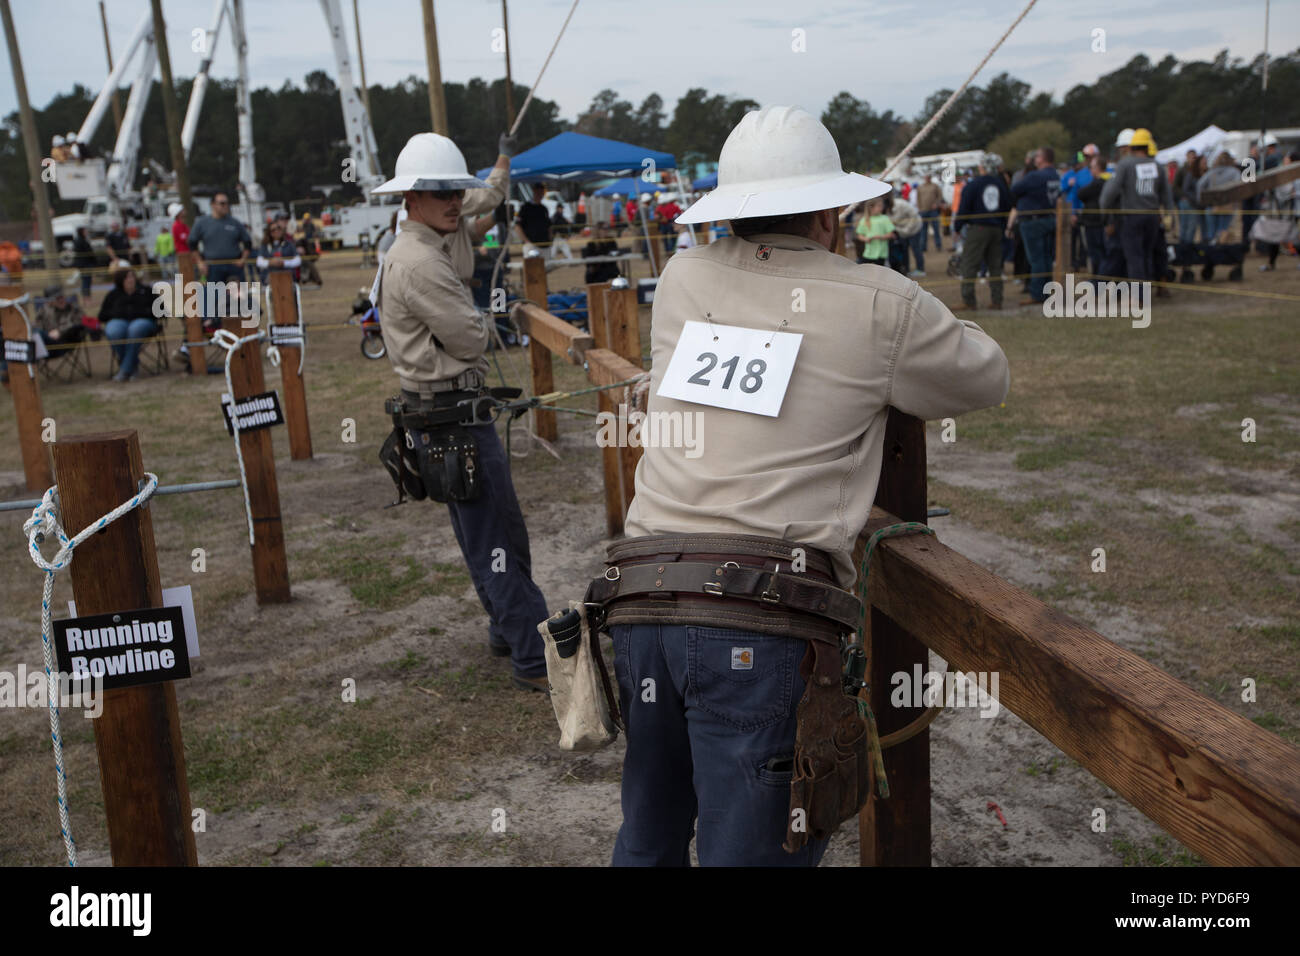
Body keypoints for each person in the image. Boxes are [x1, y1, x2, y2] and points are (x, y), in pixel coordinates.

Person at [598, 105, 1009, 867]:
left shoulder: (685, 276)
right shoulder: (882, 301)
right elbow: (985, 373)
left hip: (644, 597)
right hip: (761, 620)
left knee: (648, 837)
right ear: (831, 211)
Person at [370, 130, 550, 693]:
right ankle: (534, 654)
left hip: (445, 416)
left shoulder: (426, 242)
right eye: (439, 192)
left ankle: (508, 630)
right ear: (410, 200)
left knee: (485, 534)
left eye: (455, 190)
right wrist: (480, 324)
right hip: (452, 417)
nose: (453, 200)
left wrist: (497, 166)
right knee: (497, 536)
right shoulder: (421, 263)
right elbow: (471, 341)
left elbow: (483, 201)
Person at [1101, 128, 1171, 309]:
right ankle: (1145, 294)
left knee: (1134, 257)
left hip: (1131, 218)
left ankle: (1139, 298)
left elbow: (1111, 192)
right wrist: (1169, 215)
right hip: (1153, 218)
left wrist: (1104, 210)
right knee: (1147, 255)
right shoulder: (1157, 166)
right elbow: (1166, 195)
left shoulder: (1126, 165)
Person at [954, 154, 1012, 310]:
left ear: (983, 167)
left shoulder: (973, 185)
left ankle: (968, 300)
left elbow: (964, 208)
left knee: (970, 264)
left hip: (978, 228)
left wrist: (957, 227)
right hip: (996, 228)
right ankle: (997, 299)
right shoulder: (1000, 184)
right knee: (995, 266)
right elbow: (1007, 206)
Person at [1009, 146, 1061, 305]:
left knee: (1036, 259)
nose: (1035, 159)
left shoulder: (1035, 176)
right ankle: (1047, 291)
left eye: (1037, 156)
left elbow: (1015, 189)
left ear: (1043, 159)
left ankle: (1037, 294)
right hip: (1048, 218)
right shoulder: (1055, 175)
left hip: (1033, 221)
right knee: (1046, 258)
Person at [98, 266, 160, 382]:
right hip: (119, 321)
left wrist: (145, 312)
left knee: (135, 329)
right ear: (120, 280)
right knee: (113, 331)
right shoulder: (113, 294)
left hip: (143, 321)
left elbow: (162, 311)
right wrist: (116, 314)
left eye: (132, 276)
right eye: (127, 278)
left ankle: (125, 370)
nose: (130, 280)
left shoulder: (146, 291)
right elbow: (102, 315)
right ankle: (132, 364)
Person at [254, 217, 301, 285]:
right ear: (269, 232)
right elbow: (259, 261)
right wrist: (270, 263)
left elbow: (298, 260)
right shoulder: (265, 245)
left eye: (278, 228)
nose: (276, 231)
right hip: (270, 277)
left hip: (287, 276)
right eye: (273, 230)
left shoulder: (289, 244)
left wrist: (284, 263)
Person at [1174, 150, 1203, 245]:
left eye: (1194, 157)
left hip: (1193, 202)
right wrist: (1182, 196)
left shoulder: (1198, 170)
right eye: (1191, 157)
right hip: (1185, 201)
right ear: (1186, 157)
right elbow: (1176, 186)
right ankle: (1183, 246)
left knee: (1191, 227)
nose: (1192, 159)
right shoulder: (1182, 170)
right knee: (1184, 225)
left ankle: (1187, 246)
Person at [855, 197, 893, 265]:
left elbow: (890, 234)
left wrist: (880, 237)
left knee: (879, 273)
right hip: (868, 253)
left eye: (882, 206)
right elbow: (859, 235)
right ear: (871, 208)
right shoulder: (864, 220)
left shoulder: (885, 219)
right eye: (879, 206)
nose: (881, 208)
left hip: (881, 253)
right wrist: (865, 239)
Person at [516, 183, 551, 251]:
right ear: (534, 191)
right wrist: (526, 241)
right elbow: (517, 226)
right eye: (538, 192)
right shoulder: (525, 208)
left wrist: (550, 239)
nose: (540, 194)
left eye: (542, 192)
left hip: (545, 245)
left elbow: (549, 226)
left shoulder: (544, 209)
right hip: (531, 246)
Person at [916, 174, 943, 251]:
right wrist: (919, 208)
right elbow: (918, 198)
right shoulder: (920, 187)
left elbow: (940, 196)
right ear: (924, 178)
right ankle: (923, 247)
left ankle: (938, 246)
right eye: (926, 177)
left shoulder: (935, 186)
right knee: (923, 230)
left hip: (933, 211)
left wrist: (936, 204)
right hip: (923, 211)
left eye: (929, 177)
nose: (927, 178)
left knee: (936, 229)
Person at [73, 227, 95, 299]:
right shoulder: (80, 241)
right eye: (85, 231)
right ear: (81, 232)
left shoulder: (81, 240)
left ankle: (87, 297)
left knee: (86, 281)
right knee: (86, 281)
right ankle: (86, 298)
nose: (86, 232)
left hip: (84, 264)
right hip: (84, 264)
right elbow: (87, 252)